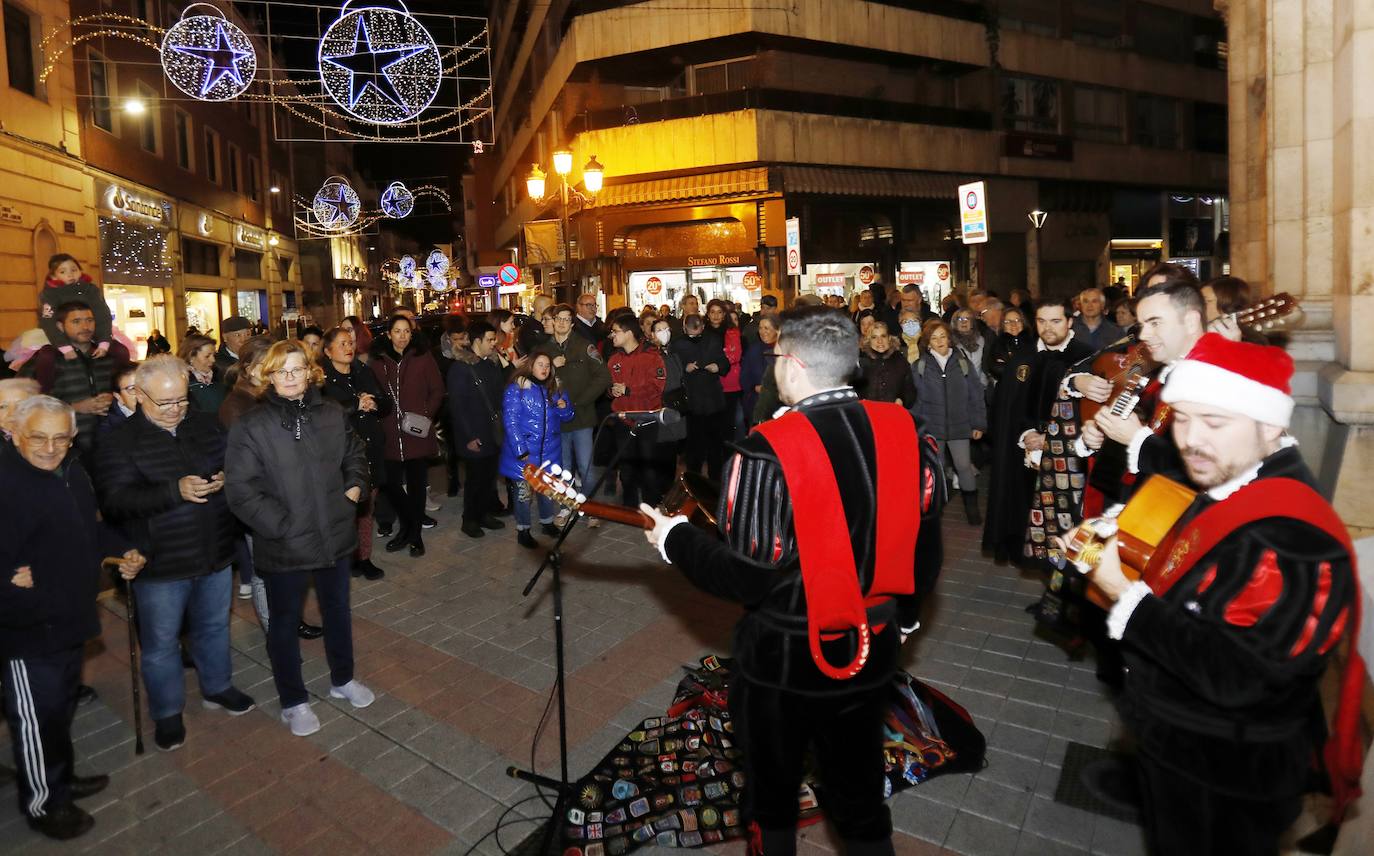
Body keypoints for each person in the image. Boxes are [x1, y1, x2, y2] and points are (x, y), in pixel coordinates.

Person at [640, 307, 944, 856]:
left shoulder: (764, 452)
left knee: (773, 790)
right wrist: (908, 614)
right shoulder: (908, 430)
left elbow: (746, 578)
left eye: (776, 356)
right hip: (871, 642)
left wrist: (673, 540)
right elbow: (926, 539)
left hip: (784, 653)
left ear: (793, 365)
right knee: (857, 793)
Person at [1080, 334, 1362, 855]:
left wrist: (1126, 597)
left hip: (1224, 774)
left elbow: (1245, 678)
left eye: (1215, 422)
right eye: (1183, 418)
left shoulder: (1296, 541)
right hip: (1183, 748)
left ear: (1271, 423)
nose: (1190, 440)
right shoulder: (1234, 480)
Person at [94, 356, 256, 752]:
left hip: (214, 549)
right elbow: (115, 502)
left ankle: (217, 686)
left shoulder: (203, 422)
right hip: (161, 561)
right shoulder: (117, 440)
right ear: (139, 396)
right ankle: (167, 712)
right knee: (161, 643)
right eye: (165, 403)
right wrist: (173, 491)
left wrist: (223, 478)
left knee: (215, 627)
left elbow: (227, 462)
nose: (176, 410)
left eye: (181, 400)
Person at [1, 396, 145, 840]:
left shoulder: (72, 471)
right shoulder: (6, 483)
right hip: (25, 632)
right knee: (35, 718)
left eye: (60, 438)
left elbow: (89, 528)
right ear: (14, 435)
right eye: (38, 438)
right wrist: (13, 585)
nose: (49, 448)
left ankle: (58, 777)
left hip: (69, 618)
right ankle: (44, 803)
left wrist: (122, 550)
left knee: (58, 711)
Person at [224, 341, 374, 738]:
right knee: (284, 624)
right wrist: (282, 527)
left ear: (311, 372)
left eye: (297, 370)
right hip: (285, 544)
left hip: (335, 536)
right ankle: (293, 700)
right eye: (281, 372)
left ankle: (343, 679)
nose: (290, 379)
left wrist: (353, 492)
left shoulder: (332, 413)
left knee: (338, 612)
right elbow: (240, 491)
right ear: (268, 377)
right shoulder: (251, 426)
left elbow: (355, 457)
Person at [369, 314, 444, 557]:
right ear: (388, 334)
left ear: (412, 334)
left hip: (416, 432)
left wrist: (425, 416)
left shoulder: (422, 357)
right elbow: (373, 394)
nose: (402, 336)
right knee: (390, 483)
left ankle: (414, 536)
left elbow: (437, 390)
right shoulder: (378, 362)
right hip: (389, 431)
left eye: (406, 331)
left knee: (416, 485)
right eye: (397, 331)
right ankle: (409, 526)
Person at [320, 327, 391, 581]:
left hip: (369, 448)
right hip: (340, 455)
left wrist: (373, 403)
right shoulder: (321, 381)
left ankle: (364, 557)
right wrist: (354, 405)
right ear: (328, 351)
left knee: (367, 508)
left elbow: (386, 403)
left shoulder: (363, 371)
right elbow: (322, 415)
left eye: (350, 342)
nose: (349, 347)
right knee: (344, 510)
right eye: (342, 344)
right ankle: (345, 558)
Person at [23, 301, 131, 456]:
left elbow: (132, 392)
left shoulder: (110, 356)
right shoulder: (45, 359)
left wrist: (114, 398)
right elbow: (23, 403)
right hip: (64, 448)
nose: (85, 327)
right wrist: (73, 407)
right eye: (76, 321)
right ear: (60, 326)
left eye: (89, 320)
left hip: (112, 444)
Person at [535, 304, 611, 521]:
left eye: (566, 319)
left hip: (582, 416)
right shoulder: (543, 351)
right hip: (555, 419)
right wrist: (553, 367)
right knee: (562, 466)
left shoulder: (584, 346)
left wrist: (581, 401)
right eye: (558, 318)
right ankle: (566, 506)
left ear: (572, 323)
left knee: (586, 465)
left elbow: (603, 376)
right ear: (552, 321)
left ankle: (591, 508)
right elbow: (533, 379)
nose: (561, 323)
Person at [911, 320, 987, 524]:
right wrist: (916, 427)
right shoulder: (920, 366)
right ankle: (936, 507)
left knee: (963, 466)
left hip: (960, 424)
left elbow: (976, 394)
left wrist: (978, 423)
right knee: (935, 469)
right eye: (934, 338)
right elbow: (916, 399)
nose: (939, 341)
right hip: (932, 426)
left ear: (949, 339)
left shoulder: (962, 363)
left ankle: (971, 508)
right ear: (928, 343)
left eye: (942, 336)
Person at [499, 352, 575, 548]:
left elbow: (567, 416)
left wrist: (564, 406)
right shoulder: (518, 388)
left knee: (547, 491)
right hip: (524, 454)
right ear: (531, 366)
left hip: (550, 451)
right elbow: (511, 420)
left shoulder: (555, 387)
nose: (544, 368)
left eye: (548, 365)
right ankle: (523, 529)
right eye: (540, 364)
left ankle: (547, 522)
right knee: (523, 494)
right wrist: (520, 449)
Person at [447, 321, 508, 538]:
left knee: (488, 477)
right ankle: (469, 519)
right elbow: (457, 406)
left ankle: (483, 513)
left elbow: (500, 396)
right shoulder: (460, 368)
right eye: (490, 340)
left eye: (494, 339)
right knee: (474, 479)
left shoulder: (491, 364)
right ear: (477, 341)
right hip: (474, 434)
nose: (494, 343)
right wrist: (469, 437)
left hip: (492, 431)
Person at [607, 316, 667, 508]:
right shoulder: (614, 359)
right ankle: (630, 509)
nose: (611, 336)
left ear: (628, 333)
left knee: (649, 467)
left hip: (647, 420)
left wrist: (629, 389)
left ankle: (652, 508)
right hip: (623, 420)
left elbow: (657, 387)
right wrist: (612, 391)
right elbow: (608, 385)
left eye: (615, 331)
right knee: (626, 468)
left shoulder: (652, 356)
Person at [672, 313, 730, 480]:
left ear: (703, 327)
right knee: (694, 448)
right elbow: (671, 370)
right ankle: (694, 483)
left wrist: (717, 366)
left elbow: (724, 362)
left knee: (715, 447)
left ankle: (715, 483)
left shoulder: (713, 339)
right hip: (691, 402)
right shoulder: (677, 344)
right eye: (691, 334)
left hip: (713, 400)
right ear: (684, 328)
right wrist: (685, 368)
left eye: (698, 333)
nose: (694, 337)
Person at [38, 255, 113, 363]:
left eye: (74, 270)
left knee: (120, 352)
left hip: (92, 333)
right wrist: (64, 347)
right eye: (63, 272)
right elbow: (48, 321)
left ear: (80, 271)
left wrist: (104, 343)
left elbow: (103, 315)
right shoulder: (49, 294)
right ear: (54, 276)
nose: (70, 274)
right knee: (46, 357)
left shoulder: (90, 290)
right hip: (56, 335)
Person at [857, 321, 916, 406]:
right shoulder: (861, 362)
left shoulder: (900, 360)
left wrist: (902, 400)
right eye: (874, 337)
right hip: (868, 414)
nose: (879, 341)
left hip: (894, 414)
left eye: (883, 336)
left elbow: (910, 390)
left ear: (889, 338)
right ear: (869, 340)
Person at [740, 314, 779, 427]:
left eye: (766, 328)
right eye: (760, 328)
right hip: (756, 403)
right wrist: (754, 387)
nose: (762, 331)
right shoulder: (753, 350)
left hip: (779, 405)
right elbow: (744, 377)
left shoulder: (783, 348)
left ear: (776, 330)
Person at [180, 333, 227, 416]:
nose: (213, 360)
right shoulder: (182, 383)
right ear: (191, 357)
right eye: (207, 356)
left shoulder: (220, 376)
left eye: (214, 355)